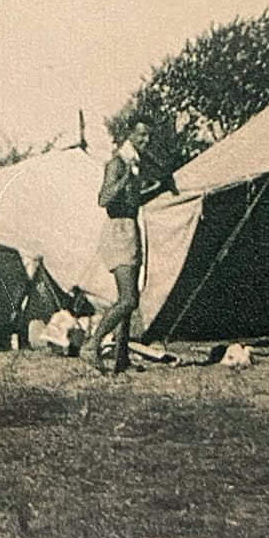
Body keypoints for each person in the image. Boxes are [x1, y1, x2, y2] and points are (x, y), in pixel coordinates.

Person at [83, 121, 155, 374]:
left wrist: (158, 188)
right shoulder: (117, 163)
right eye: (141, 135)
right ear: (130, 135)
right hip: (118, 231)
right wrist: (126, 177)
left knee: (127, 295)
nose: (146, 140)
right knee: (128, 300)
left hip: (130, 228)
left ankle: (121, 357)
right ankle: (92, 345)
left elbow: (133, 201)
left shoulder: (135, 165)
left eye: (149, 136)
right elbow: (103, 199)